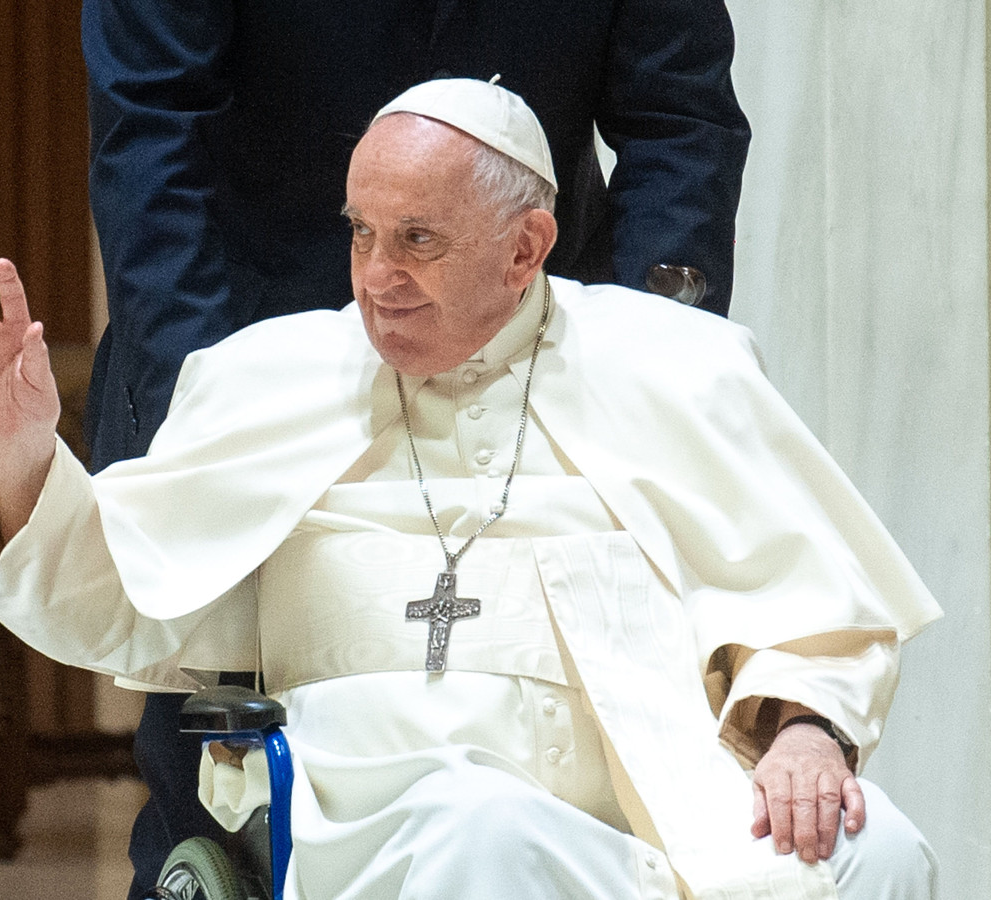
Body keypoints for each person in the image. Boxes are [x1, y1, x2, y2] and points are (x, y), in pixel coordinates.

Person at [0, 79, 938, 898]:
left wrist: (805, 730)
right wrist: (20, 451)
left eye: (417, 239)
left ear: (525, 248)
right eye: (361, 232)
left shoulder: (675, 368)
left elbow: (812, 603)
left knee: (875, 851)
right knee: (481, 831)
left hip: (661, 798)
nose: (375, 275)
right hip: (390, 809)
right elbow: (116, 600)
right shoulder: (264, 380)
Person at [81, 4, 751, 887]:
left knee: (563, 790)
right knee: (223, 806)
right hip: (254, 351)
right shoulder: (242, 390)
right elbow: (152, 127)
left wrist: (643, 357)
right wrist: (219, 403)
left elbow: (679, 117)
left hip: (526, 372)